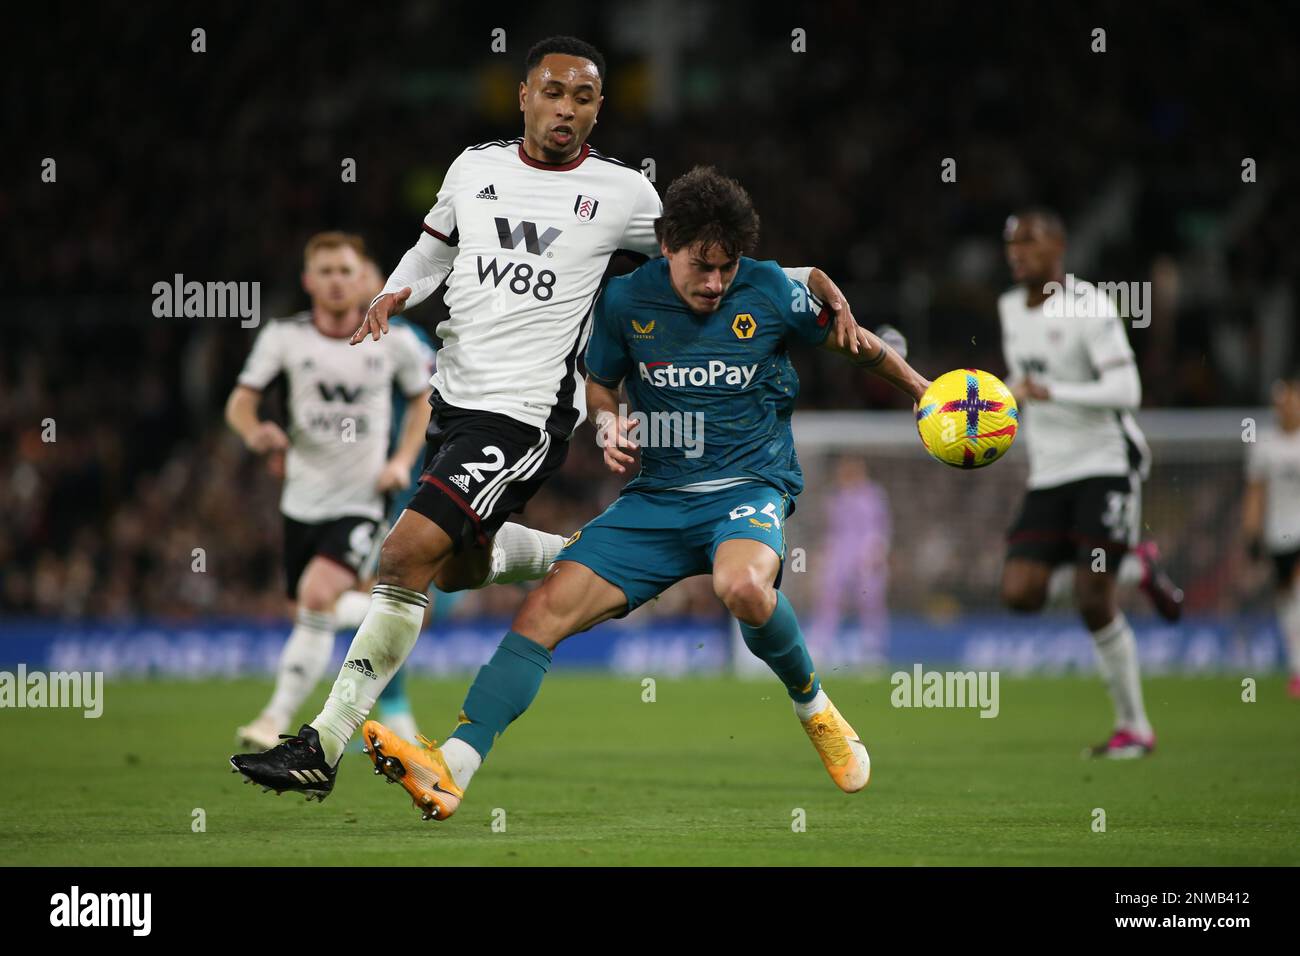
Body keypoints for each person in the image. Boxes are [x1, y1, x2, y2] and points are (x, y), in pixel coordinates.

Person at [230, 36, 858, 800]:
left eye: (584, 97)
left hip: (525, 414)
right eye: (554, 92)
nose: (567, 109)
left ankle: (318, 747)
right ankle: (585, 554)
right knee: (455, 568)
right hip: (453, 400)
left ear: (599, 107)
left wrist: (803, 285)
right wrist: (395, 291)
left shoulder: (625, 192)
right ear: (523, 94)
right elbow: (433, 250)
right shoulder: (474, 169)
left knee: (401, 559)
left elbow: (702, 253)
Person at [356, 166, 932, 822]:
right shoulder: (625, 302)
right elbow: (600, 384)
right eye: (702, 267)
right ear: (666, 246)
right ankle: (451, 769)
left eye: (728, 267)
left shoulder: (767, 289)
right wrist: (608, 420)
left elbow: (848, 335)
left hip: (747, 487)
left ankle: (813, 705)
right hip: (657, 498)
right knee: (542, 613)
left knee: (742, 587)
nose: (717, 282)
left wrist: (922, 391)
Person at [226, 233, 431, 750]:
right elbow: (240, 403)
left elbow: (426, 398)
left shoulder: (395, 340)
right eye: (327, 272)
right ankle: (402, 615)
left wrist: (402, 461)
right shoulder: (284, 337)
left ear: (363, 278)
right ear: (308, 281)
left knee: (318, 595)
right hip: (300, 500)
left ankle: (276, 718)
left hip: (363, 500)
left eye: (346, 271)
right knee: (310, 611)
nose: (338, 282)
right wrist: (257, 434)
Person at [997, 208, 1180, 758]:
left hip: (1104, 464)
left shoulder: (1090, 307)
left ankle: (1135, 729)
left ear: (1059, 247)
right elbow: (1022, 382)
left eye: (1029, 241)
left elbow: (1127, 390)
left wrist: (1056, 392)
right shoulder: (1008, 308)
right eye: (1011, 243)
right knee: (1020, 593)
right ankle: (1135, 564)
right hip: (1048, 472)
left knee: (1090, 596)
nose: (1016, 252)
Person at [1241, 371, 1300, 698]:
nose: (1286, 407)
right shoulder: (1264, 444)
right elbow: (1256, 492)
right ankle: (1296, 668)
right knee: (1287, 602)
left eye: (1291, 400)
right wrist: (1251, 533)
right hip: (1279, 534)